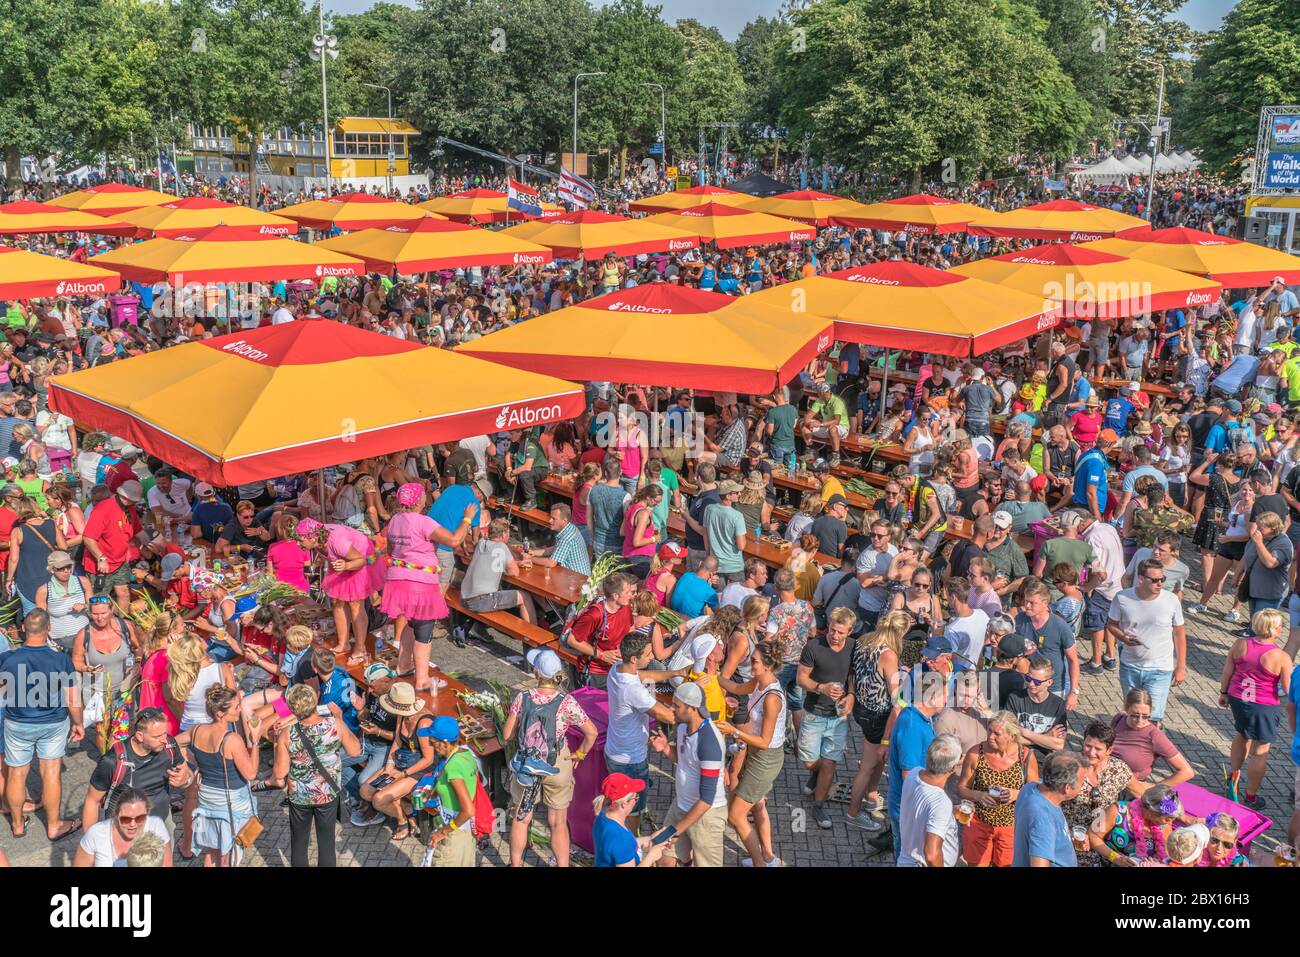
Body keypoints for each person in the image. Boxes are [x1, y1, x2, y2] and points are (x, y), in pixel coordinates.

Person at [501, 648, 597, 867]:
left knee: (521, 817)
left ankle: (515, 864)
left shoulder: (522, 697)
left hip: (527, 766)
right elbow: (591, 732)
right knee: (558, 822)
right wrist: (579, 754)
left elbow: (507, 734)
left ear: (537, 673)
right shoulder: (567, 701)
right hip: (557, 764)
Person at [380, 483, 474, 692]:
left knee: (411, 623)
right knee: (424, 627)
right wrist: (467, 518)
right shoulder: (423, 522)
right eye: (423, 495)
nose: (425, 498)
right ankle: (422, 680)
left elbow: (391, 549)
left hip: (398, 581)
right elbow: (454, 540)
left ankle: (404, 665)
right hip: (420, 583)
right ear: (417, 501)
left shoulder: (395, 520)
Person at [1, 608, 83, 840]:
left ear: (24, 628)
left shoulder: (7, 659)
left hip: (17, 723)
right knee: (51, 772)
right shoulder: (61, 660)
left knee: (17, 774)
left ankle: (17, 824)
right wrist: (78, 723)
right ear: (49, 629)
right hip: (53, 724)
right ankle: (54, 825)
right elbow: (73, 699)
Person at [717, 639, 788, 867]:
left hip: (765, 759)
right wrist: (713, 675)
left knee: (736, 815)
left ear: (767, 666)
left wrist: (734, 731)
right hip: (756, 754)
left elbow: (765, 741)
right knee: (757, 805)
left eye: (754, 661)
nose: (750, 663)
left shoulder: (772, 698)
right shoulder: (758, 682)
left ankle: (759, 862)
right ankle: (768, 855)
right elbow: (737, 688)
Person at [274, 683, 361, 867]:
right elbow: (355, 751)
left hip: (299, 796)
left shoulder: (287, 733)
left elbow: (280, 772)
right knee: (326, 843)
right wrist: (341, 720)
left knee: (299, 843)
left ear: (293, 708)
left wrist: (277, 745)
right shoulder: (334, 724)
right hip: (327, 793)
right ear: (315, 702)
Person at [605, 632, 679, 836]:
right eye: (647, 654)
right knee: (633, 809)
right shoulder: (633, 690)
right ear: (634, 659)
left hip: (614, 750)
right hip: (631, 760)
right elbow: (667, 716)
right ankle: (630, 842)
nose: (652, 657)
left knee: (618, 801)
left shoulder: (616, 669)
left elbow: (645, 676)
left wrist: (675, 673)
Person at [649, 682, 728, 867]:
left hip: (706, 817)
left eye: (677, 706)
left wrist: (676, 830)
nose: (672, 709)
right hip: (681, 806)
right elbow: (685, 759)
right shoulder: (684, 727)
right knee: (663, 856)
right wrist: (667, 749)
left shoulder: (709, 743)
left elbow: (707, 799)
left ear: (692, 708)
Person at [1220, 607, 1291, 810]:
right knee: (1261, 750)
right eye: (1281, 626)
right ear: (1274, 629)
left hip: (1238, 699)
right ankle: (1251, 797)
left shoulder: (1241, 644)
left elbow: (1227, 671)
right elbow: (1287, 688)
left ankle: (1231, 784)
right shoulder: (1280, 656)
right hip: (1263, 706)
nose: (1282, 629)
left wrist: (1223, 693)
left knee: (1242, 736)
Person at [845, 610, 906, 832]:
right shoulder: (888, 654)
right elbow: (896, 697)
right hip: (877, 716)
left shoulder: (864, 640)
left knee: (878, 760)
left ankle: (871, 796)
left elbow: (852, 672)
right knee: (868, 765)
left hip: (862, 708)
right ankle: (852, 813)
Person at [796, 606, 856, 830]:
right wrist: (821, 687)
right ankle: (816, 772)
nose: (835, 635)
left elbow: (852, 676)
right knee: (809, 761)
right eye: (832, 630)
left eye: (840, 632)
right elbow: (801, 678)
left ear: (849, 631)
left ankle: (818, 805)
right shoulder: (814, 646)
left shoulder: (853, 647)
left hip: (839, 716)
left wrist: (851, 696)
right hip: (814, 712)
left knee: (830, 761)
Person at [292, 517, 384, 663]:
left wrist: (346, 566)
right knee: (337, 602)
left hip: (360, 558)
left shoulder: (338, 542)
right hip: (342, 561)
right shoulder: (318, 539)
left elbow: (360, 560)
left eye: (301, 540)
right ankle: (343, 643)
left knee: (355, 604)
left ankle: (360, 649)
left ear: (312, 537)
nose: (298, 543)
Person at [1108, 558, 1186, 725]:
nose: (1160, 584)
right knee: (1134, 714)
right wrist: (1122, 637)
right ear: (1141, 578)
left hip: (1161, 669)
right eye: (1155, 580)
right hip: (1130, 666)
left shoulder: (1171, 600)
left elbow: (1179, 633)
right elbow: (1111, 625)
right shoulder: (1122, 598)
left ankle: (1150, 748)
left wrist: (1180, 666)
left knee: (1153, 717)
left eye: (1162, 580)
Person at [884, 662, 948, 862]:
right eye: (945, 695)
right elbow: (908, 775)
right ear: (932, 697)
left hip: (913, 806)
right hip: (909, 809)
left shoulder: (921, 717)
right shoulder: (912, 727)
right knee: (908, 857)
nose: (948, 700)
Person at [956, 711, 1038, 867]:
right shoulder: (976, 753)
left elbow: (1035, 793)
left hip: (1011, 826)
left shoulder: (1026, 757)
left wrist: (1016, 794)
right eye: (989, 730)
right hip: (979, 823)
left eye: (997, 734)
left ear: (1012, 736)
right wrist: (978, 795)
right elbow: (961, 788)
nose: (990, 737)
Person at [189, 685, 259, 866]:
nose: (239, 709)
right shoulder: (232, 739)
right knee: (228, 854)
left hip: (207, 798)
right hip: (231, 803)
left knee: (211, 851)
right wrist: (256, 740)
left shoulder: (196, 730)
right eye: (236, 707)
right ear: (220, 713)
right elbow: (251, 773)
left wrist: (193, 765)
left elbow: (175, 742)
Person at [1062, 720, 1134, 866]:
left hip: (1106, 843)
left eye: (1098, 749)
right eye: (1088, 745)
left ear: (1109, 750)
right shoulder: (1068, 766)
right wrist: (1069, 833)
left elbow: (1142, 793)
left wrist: (1180, 814)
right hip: (1072, 841)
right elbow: (1049, 802)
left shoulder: (1118, 769)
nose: (1091, 752)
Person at [1109, 689, 1195, 793]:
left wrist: (1155, 788)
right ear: (1127, 708)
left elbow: (1186, 772)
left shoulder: (1154, 735)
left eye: (1145, 716)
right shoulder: (1119, 719)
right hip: (1104, 779)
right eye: (1135, 715)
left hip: (1128, 791)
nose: (1140, 721)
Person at [897, 734, 963, 867]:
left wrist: (950, 814)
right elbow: (931, 854)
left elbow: (921, 810)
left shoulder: (914, 773)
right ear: (952, 768)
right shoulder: (941, 802)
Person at [80, 478, 145, 613]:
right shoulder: (103, 509)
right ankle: (101, 627)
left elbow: (138, 531)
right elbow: (88, 538)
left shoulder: (129, 509)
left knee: (124, 593)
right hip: (101, 565)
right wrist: (101, 558)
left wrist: (150, 543)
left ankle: (122, 623)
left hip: (119, 562)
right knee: (101, 601)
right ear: (128, 498)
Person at [1012, 750, 1085, 867]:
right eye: (1081, 782)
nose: (1082, 786)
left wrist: (1068, 835)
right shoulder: (1043, 819)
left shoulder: (1030, 788)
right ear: (1067, 788)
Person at [459, 516, 538, 625]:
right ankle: (531, 636)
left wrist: (516, 563)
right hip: (480, 601)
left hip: (464, 598)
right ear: (504, 534)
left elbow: (491, 561)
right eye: (508, 533)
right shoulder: (501, 547)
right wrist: (515, 565)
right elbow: (514, 572)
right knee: (525, 597)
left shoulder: (481, 543)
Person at [1014, 577, 1079, 707]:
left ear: (1045, 603)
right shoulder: (1020, 620)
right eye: (1026, 601)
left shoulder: (1060, 626)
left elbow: (1073, 660)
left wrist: (1073, 691)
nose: (1027, 606)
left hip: (1053, 687)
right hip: (1029, 684)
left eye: (1032, 603)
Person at [567, 572, 635, 689]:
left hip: (616, 669)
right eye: (627, 592)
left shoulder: (626, 607)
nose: (631, 595)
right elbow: (572, 640)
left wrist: (625, 648)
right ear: (615, 596)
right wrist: (602, 655)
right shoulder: (595, 614)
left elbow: (630, 628)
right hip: (594, 673)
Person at [73, 787, 172, 868]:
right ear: (116, 815)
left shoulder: (156, 828)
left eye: (140, 818)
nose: (133, 824)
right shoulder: (96, 834)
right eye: (126, 819)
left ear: (147, 814)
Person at [591, 772, 668, 867]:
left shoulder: (603, 816)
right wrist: (651, 856)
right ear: (624, 804)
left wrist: (651, 839)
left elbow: (625, 844)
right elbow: (622, 844)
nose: (636, 801)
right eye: (635, 797)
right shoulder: (620, 839)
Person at [1004, 655, 1068, 759]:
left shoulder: (1058, 704)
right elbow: (1009, 737)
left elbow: (1059, 745)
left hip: (1046, 760)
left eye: (1037, 682)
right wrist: (1046, 737)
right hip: (1017, 757)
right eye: (1028, 678)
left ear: (1049, 682)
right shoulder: (1015, 698)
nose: (1031, 684)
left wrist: (1025, 732)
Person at [35, 549, 91, 654]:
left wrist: (85, 606)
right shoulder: (43, 591)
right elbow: (41, 621)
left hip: (85, 634)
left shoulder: (83, 581)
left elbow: (94, 607)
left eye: (68, 567)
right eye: (61, 568)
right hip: (60, 641)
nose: (66, 571)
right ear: (52, 570)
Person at [1242, 511, 1294, 617]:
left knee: (1263, 624)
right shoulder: (1259, 537)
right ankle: (1251, 630)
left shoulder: (1283, 543)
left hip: (1270, 593)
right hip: (1253, 588)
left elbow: (1271, 563)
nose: (1257, 530)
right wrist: (1238, 576)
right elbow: (1246, 556)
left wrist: (1259, 543)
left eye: (1261, 528)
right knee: (1255, 620)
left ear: (1273, 528)